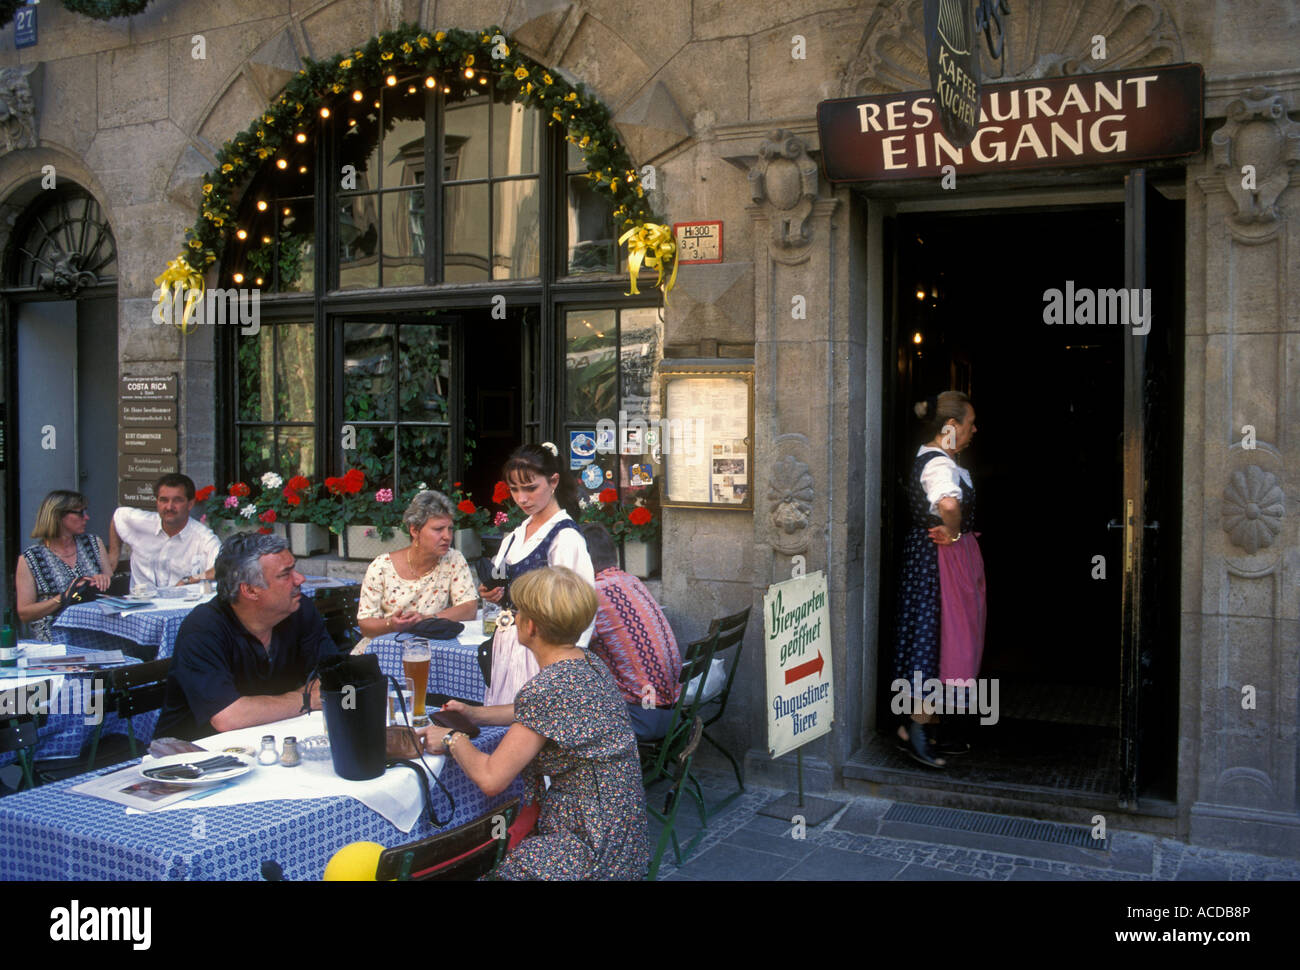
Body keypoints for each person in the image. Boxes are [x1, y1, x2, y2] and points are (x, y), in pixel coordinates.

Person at [421, 566, 650, 880]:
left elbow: (491, 779)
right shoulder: (588, 663)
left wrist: (451, 739)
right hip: (624, 838)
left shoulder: (549, 688)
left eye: (518, 611)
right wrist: (477, 714)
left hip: (590, 849)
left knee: (483, 868)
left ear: (530, 626)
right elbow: (538, 714)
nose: (514, 617)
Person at [155, 532, 338, 740]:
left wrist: (265, 708)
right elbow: (228, 717)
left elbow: (336, 679)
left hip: (273, 738)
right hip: (193, 757)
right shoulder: (203, 628)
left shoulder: (299, 609)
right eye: (285, 574)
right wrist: (306, 700)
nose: (300, 579)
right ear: (250, 590)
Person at [892, 390, 986, 768]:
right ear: (951, 427)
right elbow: (948, 504)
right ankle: (916, 727)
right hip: (938, 561)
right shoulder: (939, 465)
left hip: (935, 560)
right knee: (935, 641)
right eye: (969, 423)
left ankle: (923, 725)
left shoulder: (939, 459)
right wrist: (954, 531)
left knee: (937, 639)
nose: (974, 429)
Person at [479, 442, 595, 706]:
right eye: (515, 489)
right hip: (508, 645)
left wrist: (563, 670)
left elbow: (582, 612)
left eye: (531, 488)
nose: (522, 498)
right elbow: (500, 583)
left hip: (544, 656)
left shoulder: (565, 538)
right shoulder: (517, 534)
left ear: (553, 481)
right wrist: (491, 592)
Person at [582, 522, 682, 740]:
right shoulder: (629, 580)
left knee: (558, 704)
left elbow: (564, 647)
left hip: (643, 716)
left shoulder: (594, 594)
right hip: (674, 712)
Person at [353, 489, 478, 653]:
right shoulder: (381, 567)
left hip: (434, 650)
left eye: (450, 528)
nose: (447, 536)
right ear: (414, 531)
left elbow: (469, 608)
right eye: (438, 529)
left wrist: (426, 620)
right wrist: (391, 624)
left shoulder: (453, 559)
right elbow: (365, 625)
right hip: (382, 651)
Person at [15, 490, 113, 641]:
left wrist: (103, 580)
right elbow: (24, 614)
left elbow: (112, 589)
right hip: (56, 629)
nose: (86, 518)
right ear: (58, 517)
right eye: (80, 513)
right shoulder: (30, 559)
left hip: (97, 623)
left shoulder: (93, 543)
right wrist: (64, 597)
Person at [107, 473, 221, 589]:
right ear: (157, 502)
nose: (169, 507)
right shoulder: (141, 522)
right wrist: (113, 556)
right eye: (164, 500)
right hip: (139, 604)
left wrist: (189, 580)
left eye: (177, 500)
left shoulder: (203, 537)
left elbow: (222, 569)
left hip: (183, 604)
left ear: (190, 504)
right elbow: (118, 517)